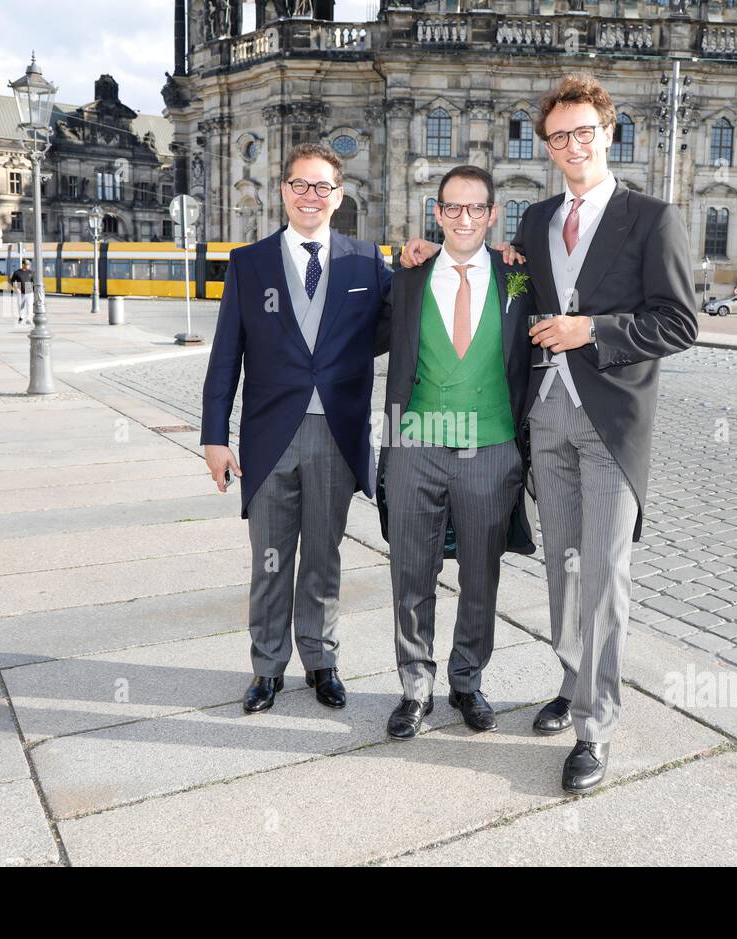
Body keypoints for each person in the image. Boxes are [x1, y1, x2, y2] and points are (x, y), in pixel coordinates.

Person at [402, 73, 699, 793]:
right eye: (558, 136)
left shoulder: (652, 218)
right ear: (548, 145)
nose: (572, 145)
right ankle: (571, 685)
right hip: (546, 418)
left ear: (609, 130)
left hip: (611, 421)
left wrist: (590, 330)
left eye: (583, 132)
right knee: (564, 570)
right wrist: (425, 259)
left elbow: (679, 322)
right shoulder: (535, 222)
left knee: (603, 576)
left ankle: (595, 730)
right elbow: (511, 287)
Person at [200, 142, 393, 715]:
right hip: (268, 438)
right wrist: (215, 436)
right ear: (284, 191)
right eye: (300, 185)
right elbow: (224, 357)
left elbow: (392, 328)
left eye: (323, 187)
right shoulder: (249, 262)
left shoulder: (366, 262)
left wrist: (428, 261)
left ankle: (321, 660)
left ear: (339, 196)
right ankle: (266, 668)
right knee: (270, 559)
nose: (311, 196)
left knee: (324, 558)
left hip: (336, 434)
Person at [376, 164, 535, 740]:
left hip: (491, 448)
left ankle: (467, 680)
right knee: (410, 572)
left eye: (475, 209)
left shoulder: (518, 277)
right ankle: (414, 688)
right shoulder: (409, 276)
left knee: (480, 576)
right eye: (452, 208)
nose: (463, 219)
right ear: (437, 213)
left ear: (492, 215)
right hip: (414, 444)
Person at [9, 260, 33, 328]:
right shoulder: (17, 272)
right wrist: (15, 287)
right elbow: (12, 280)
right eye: (26, 264)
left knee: (29, 305)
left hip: (29, 288)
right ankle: (21, 316)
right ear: (23, 265)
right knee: (20, 305)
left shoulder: (31, 272)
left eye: (28, 264)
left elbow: (33, 281)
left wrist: (33, 290)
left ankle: (28, 318)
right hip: (20, 289)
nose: (28, 265)